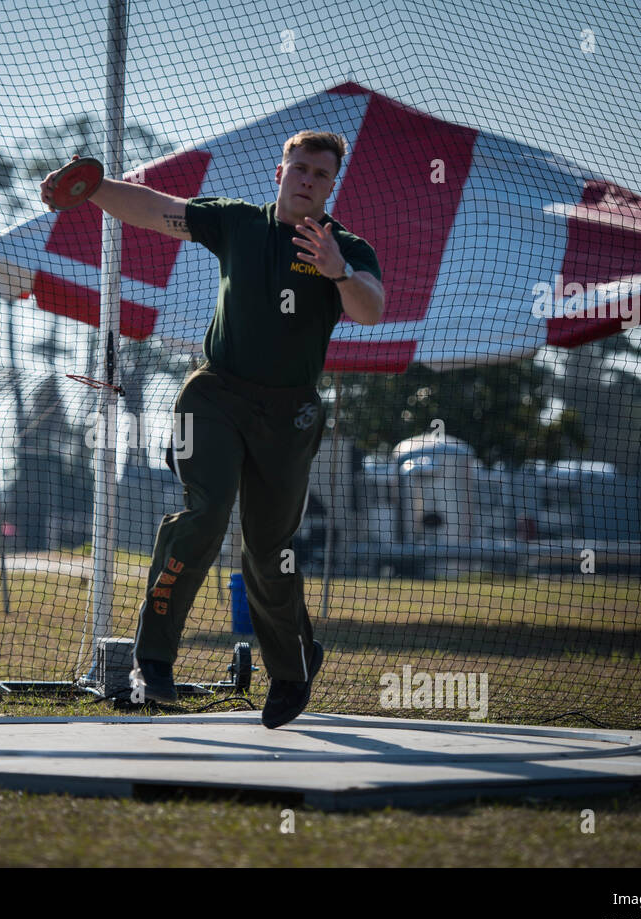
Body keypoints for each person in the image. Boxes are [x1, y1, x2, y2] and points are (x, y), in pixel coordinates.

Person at [40, 130, 383, 728]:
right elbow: (156, 209)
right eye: (298, 168)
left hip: (291, 415)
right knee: (205, 512)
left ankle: (293, 666)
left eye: (319, 175)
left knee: (267, 549)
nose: (306, 180)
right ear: (279, 174)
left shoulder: (347, 248)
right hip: (214, 396)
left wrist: (337, 271)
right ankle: (154, 661)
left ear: (332, 186)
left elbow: (371, 308)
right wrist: (94, 189)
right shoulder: (237, 224)